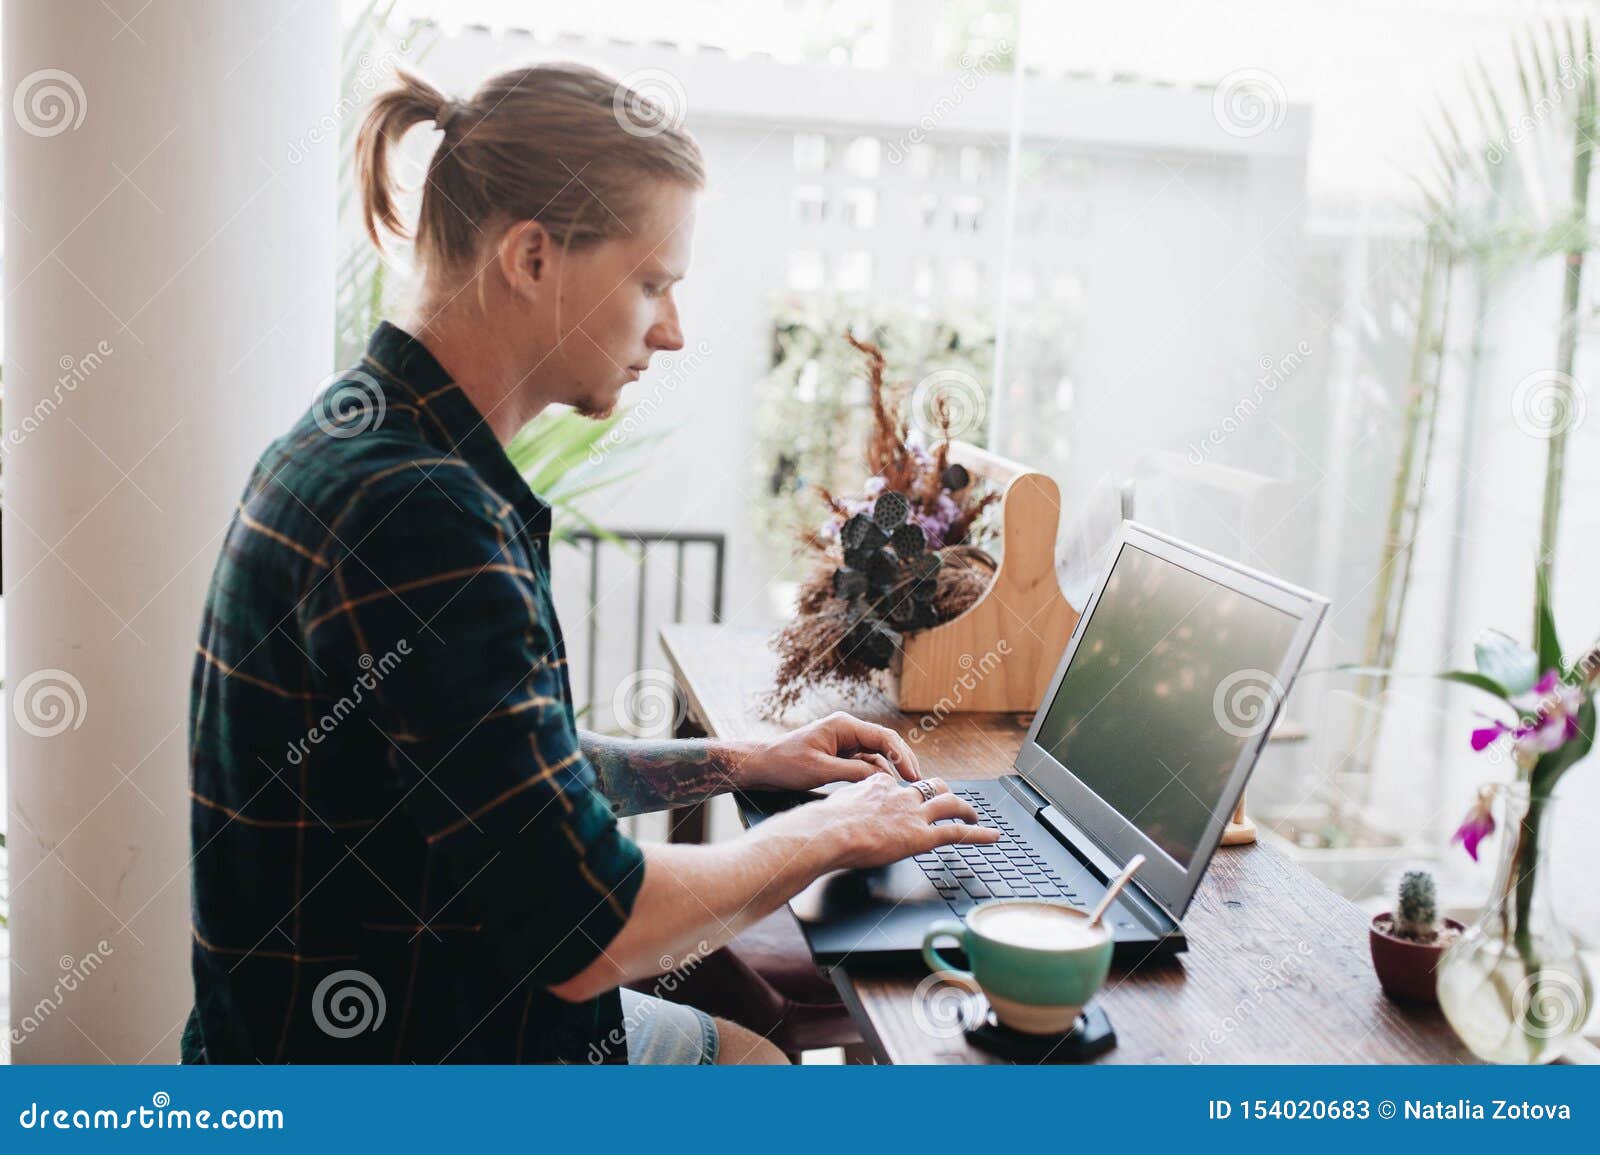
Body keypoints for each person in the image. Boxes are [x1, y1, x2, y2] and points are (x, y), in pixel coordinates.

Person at [183, 61, 998, 1067]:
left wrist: (739, 763)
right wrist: (836, 831)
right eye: (652, 281)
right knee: (789, 1061)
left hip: (312, 1039)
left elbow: (519, 785)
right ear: (530, 257)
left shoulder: (362, 442)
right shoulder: (422, 514)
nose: (672, 328)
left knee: (763, 1027)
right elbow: (588, 933)